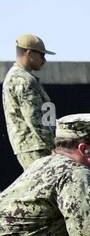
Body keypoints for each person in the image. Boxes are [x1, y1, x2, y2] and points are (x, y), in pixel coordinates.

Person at [2, 34, 55, 169]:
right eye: (41, 56)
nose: (44, 61)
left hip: (34, 145)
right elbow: (35, 118)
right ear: (29, 53)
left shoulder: (20, 76)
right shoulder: (23, 80)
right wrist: (54, 146)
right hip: (37, 146)